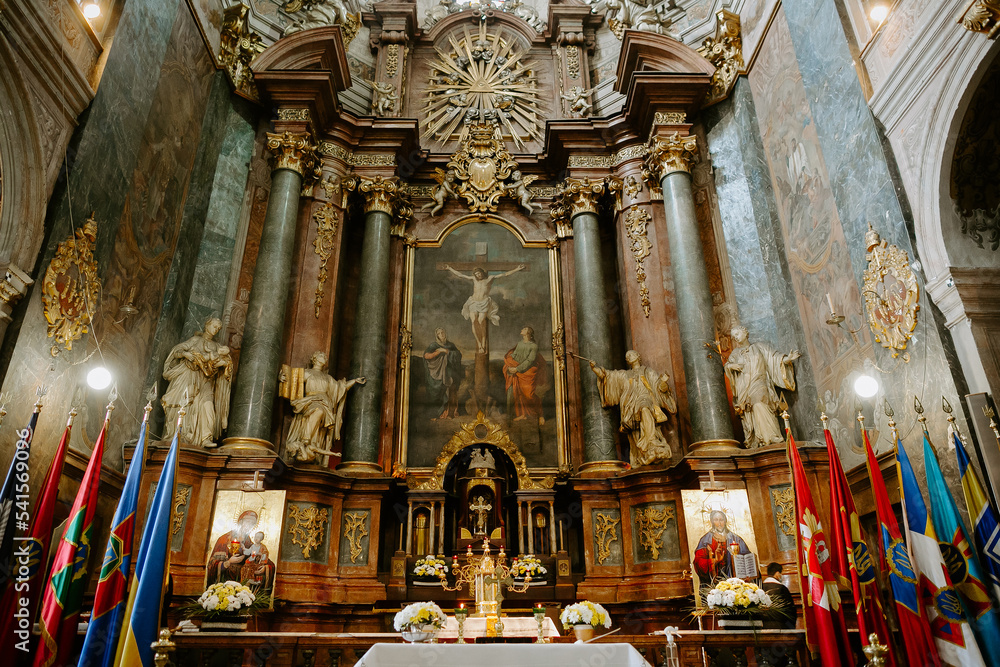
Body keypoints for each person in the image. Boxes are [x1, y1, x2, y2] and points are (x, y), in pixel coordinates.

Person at [590, 350, 677, 466]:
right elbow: (607, 377)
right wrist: (594, 368)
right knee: (637, 429)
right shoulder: (625, 375)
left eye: (631, 354)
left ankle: (651, 442)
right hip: (631, 406)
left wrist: (663, 383)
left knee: (645, 409)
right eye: (627, 356)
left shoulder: (647, 371)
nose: (629, 357)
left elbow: (659, 387)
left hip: (646, 400)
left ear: (638, 356)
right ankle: (645, 450)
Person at [724, 326, 800, 448]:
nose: (735, 338)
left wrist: (787, 359)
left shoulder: (759, 347)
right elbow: (727, 366)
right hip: (745, 387)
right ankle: (760, 439)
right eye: (733, 337)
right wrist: (732, 366)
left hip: (760, 382)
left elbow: (773, 359)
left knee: (760, 403)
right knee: (752, 409)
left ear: (745, 332)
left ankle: (771, 436)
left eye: (737, 334)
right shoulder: (735, 353)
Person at [281, 351, 365, 463]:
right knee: (318, 410)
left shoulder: (327, 377)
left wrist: (354, 381)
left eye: (325, 356)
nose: (325, 357)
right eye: (322, 356)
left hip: (325, 402)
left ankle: (310, 444)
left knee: (320, 411)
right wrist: (282, 378)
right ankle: (305, 440)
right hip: (310, 400)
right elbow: (292, 380)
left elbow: (340, 387)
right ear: (315, 358)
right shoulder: (307, 373)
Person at [162, 317, 233, 447]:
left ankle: (205, 438)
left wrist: (224, 363)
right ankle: (180, 434)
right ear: (207, 325)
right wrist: (185, 354)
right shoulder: (195, 340)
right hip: (189, 375)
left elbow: (224, 364)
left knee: (208, 406)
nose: (216, 330)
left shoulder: (217, 346)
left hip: (206, 380)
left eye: (218, 328)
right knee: (185, 403)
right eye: (214, 326)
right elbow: (177, 351)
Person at [443, 264, 525, 353]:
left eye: (479, 273)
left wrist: (517, 269)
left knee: (481, 321)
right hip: (473, 302)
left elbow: (505, 274)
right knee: (474, 321)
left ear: (482, 272)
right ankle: (479, 344)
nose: (478, 275)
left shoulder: (490, 278)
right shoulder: (474, 279)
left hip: (484, 302)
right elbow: (460, 275)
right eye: (476, 274)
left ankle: (483, 343)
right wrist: (449, 268)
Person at [693, 510, 754, 581]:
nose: (719, 523)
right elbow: (698, 562)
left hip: (734, 579)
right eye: (716, 520)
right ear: (712, 522)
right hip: (715, 581)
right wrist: (714, 561)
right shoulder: (705, 540)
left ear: (725, 521)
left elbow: (747, 558)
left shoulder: (736, 539)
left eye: (721, 520)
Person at [503, 326, 546, 424]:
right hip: (518, 371)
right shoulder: (519, 344)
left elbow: (530, 360)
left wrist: (517, 369)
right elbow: (515, 355)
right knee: (519, 393)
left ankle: (540, 415)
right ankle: (523, 414)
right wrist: (509, 362)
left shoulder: (533, 346)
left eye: (524, 329)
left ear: (528, 333)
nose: (521, 329)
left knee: (529, 395)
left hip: (528, 372)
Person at [207, 510, 258, 585]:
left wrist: (264, 567)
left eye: (252, 524)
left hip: (242, 583)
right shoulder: (224, 540)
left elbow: (258, 557)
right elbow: (212, 565)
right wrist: (228, 562)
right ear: (240, 522)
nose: (249, 526)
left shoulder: (249, 543)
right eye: (247, 522)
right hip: (225, 582)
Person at [423, 328, 463, 419]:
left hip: (449, 373)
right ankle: (439, 413)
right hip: (437, 373)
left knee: (451, 391)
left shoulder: (450, 345)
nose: (441, 334)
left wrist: (446, 351)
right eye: (439, 333)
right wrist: (438, 352)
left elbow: (458, 355)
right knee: (439, 392)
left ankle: (450, 413)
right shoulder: (433, 345)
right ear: (437, 335)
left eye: (443, 332)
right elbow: (426, 356)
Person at [762, 562, 796, 629]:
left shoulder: (760, 588)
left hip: (763, 626)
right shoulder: (782, 588)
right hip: (781, 626)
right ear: (777, 573)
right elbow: (790, 611)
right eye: (781, 573)